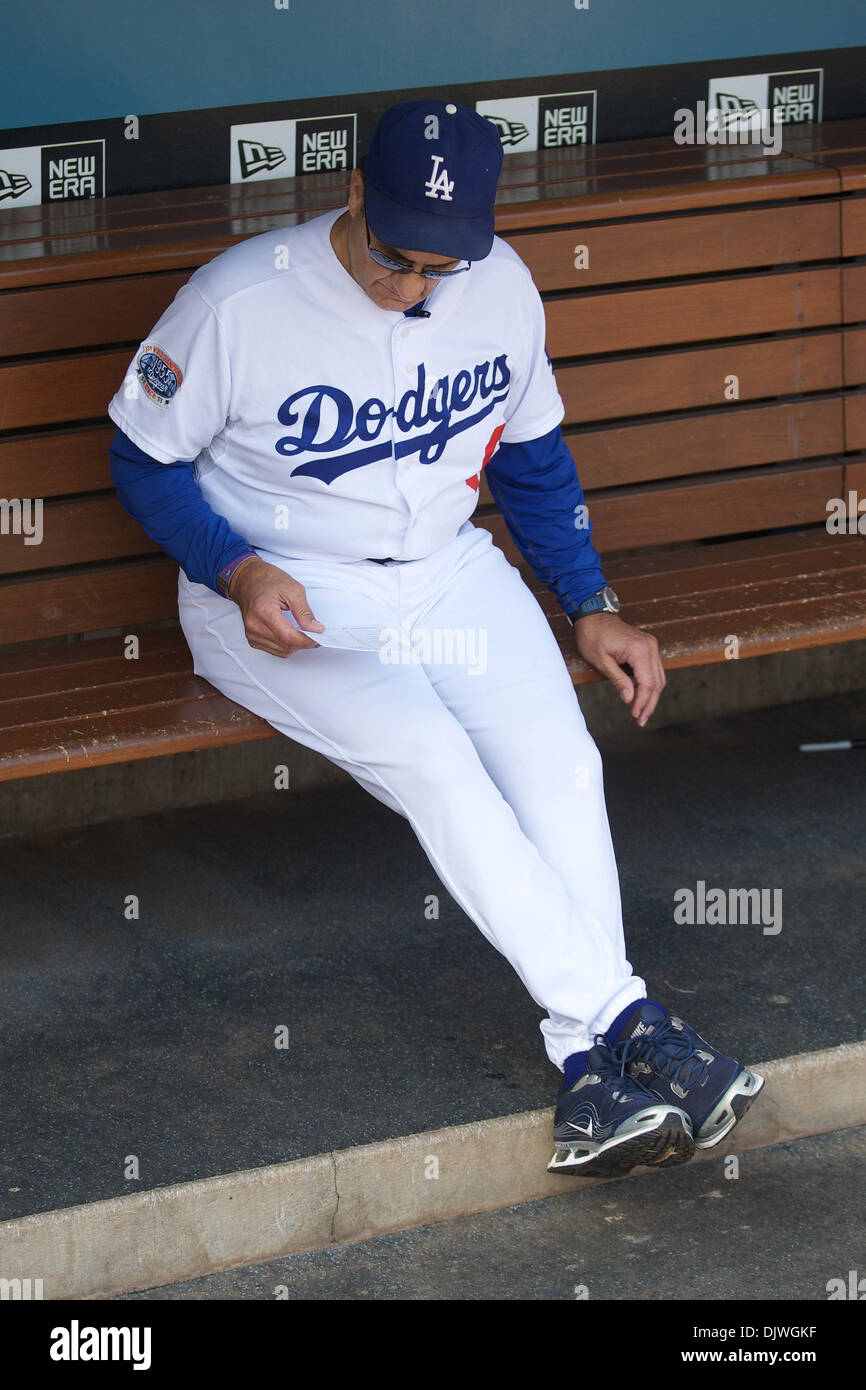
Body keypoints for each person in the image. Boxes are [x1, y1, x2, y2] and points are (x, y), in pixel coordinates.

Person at [108, 99, 763, 1178]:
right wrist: (234, 566)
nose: (412, 284)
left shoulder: (499, 284)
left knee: (560, 762)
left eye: (438, 267)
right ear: (355, 191)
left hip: (449, 573)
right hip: (280, 597)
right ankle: (627, 1021)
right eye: (394, 255)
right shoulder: (237, 301)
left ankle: (588, 1066)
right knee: (433, 759)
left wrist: (588, 601)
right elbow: (142, 457)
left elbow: (532, 457)